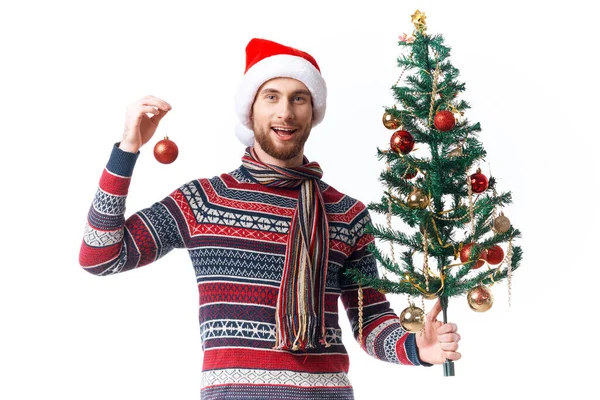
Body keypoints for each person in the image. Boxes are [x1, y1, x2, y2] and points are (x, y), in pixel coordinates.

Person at [79, 38, 461, 400]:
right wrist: (127, 149)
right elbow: (100, 255)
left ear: (313, 112)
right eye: (272, 97)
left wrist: (417, 347)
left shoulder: (347, 213)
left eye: (299, 99)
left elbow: (371, 320)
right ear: (251, 109)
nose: (285, 112)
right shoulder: (205, 200)